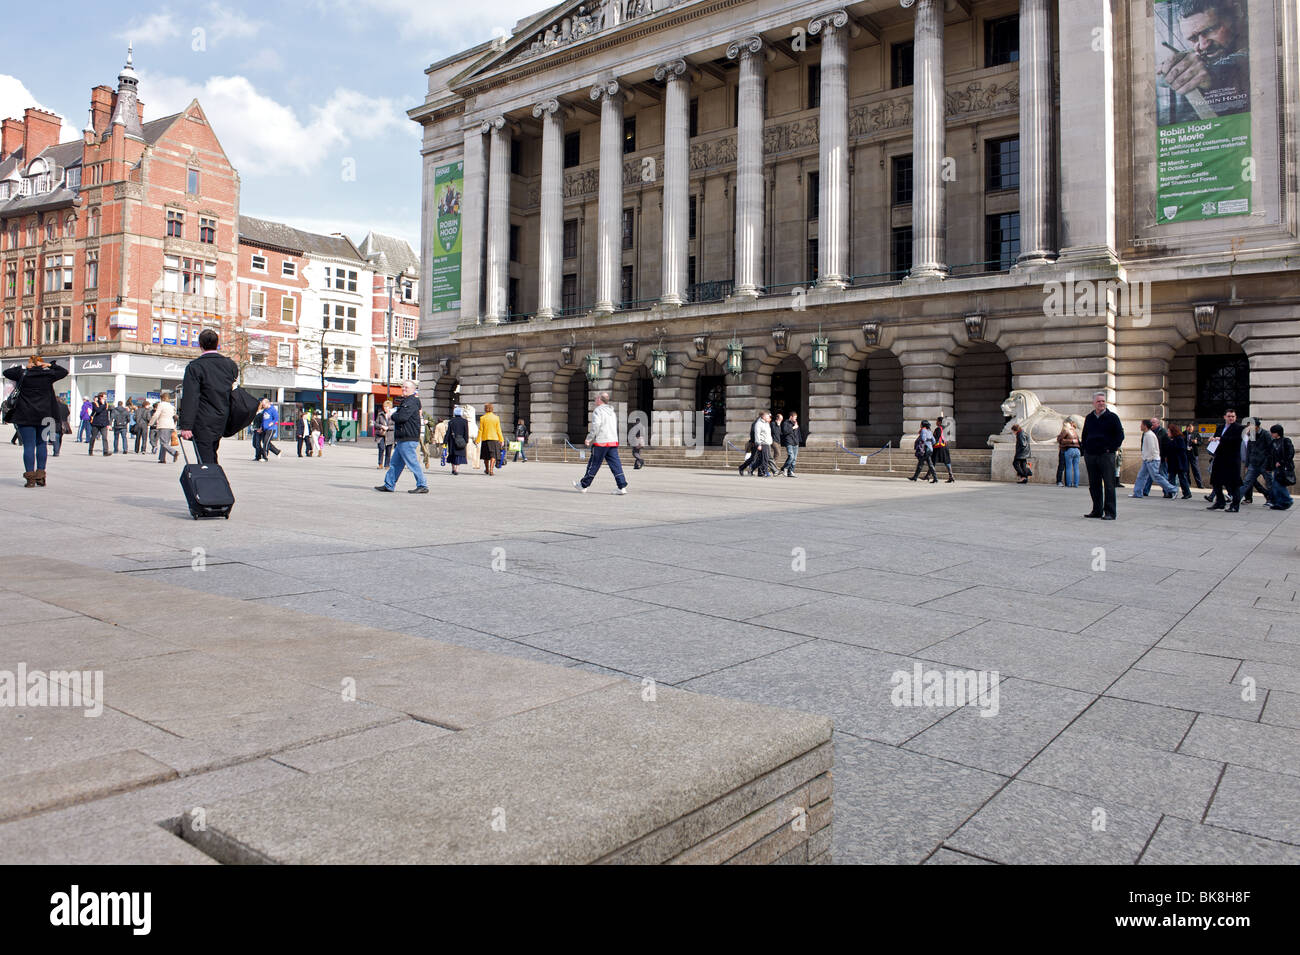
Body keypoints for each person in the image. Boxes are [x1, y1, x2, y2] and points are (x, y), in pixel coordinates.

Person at [177, 328, 239, 465]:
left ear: (200, 344)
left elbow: (190, 397)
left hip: (203, 420)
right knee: (211, 453)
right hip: (222, 418)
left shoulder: (195, 367)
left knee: (205, 459)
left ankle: (213, 484)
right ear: (217, 344)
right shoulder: (230, 365)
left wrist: (186, 426)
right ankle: (214, 481)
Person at [4, 355, 67, 487]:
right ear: (42, 364)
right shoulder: (48, 375)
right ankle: (40, 475)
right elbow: (64, 371)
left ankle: (30, 478)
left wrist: (23, 367)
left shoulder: (23, 374)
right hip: (46, 417)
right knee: (42, 444)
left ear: (29, 364)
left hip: (25, 416)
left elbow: (6, 372)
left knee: (28, 446)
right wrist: (50, 365)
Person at [374, 380, 428, 494]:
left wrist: (392, 415)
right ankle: (389, 484)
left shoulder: (411, 401)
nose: (403, 389)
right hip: (403, 438)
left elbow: (402, 417)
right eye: (403, 387)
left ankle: (422, 485)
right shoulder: (407, 401)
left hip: (408, 437)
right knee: (395, 463)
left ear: (413, 390)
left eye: (406, 388)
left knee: (412, 463)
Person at [574, 391, 628, 494]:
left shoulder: (598, 411)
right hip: (612, 441)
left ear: (599, 400)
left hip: (601, 442)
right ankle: (622, 487)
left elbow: (596, 426)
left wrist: (589, 438)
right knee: (616, 465)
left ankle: (583, 485)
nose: (595, 400)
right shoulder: (612, 411)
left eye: (596, 399)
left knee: (593, 464)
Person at [1081, 392, 1124, 520]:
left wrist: (1110, 448)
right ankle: (1097, 510)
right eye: (1099, 401)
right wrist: (1085, 450)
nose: (1101, 403)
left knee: (1109, 484)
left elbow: (1120, 436)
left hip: (1106, 455)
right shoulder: (1089, 418)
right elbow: (1085, 435)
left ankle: (1110, 512)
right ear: (1094, 403)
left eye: (1103, 401)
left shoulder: (1112, 417)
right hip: (1091, 455)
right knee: (1094, 484)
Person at [1131, 420, 1180, 499]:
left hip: (1151, 460)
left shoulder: (1149, 435)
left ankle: (1173, 489)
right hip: (1148, 459)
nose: (1140, 426)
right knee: (1141, 476)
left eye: (1141, 425)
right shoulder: (1147, 434)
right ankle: (1137, 493)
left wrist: (1149, 459)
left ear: (1145, 426)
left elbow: (1153, 449)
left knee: (1156, 477)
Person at [1207, 408, 1243, 511]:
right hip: (1219, 458)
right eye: (1229, 416)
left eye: (1233, 416)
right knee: (1215, 481)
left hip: (1232, 459)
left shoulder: (1239, 428)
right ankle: (1220, 502)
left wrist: (1221, 439)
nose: (1231, 418)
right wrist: (1213, 439)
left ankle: (1235, 506)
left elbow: (1236, 441)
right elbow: (1216, 438)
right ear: (1225, 417)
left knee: (1233, 483)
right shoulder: (1220, 427)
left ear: (1235, 417)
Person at [1238, 418, 1273, 507]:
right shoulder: (1251, 436)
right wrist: (1247, 464)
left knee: (1269, 482)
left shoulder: (1266, 434)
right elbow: (1249, 450)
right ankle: (1236, 498)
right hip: (1253, 464)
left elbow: (1271, 450)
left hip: (1264, 463)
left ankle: (1271, 500)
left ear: (1256, 426)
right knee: (1246, 482)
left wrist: (1269, 464)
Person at [1266, 424, 1294, 511]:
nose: (1271, 434)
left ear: (1278, 433)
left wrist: (1281, 462)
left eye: (1273, 432)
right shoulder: (1273, 442)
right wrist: (1269, 466)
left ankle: (1287, 500)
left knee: (1278, 485)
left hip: (1284, 468)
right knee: (1275, 485)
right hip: (1277, 468)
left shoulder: (1286, 441)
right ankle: (1279, 503)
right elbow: (1271, 456)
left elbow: (1290, 453)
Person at [149, 391, 180, 464]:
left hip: (163, 425)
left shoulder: (161, 404)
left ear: (162, 398)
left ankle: (174, 452)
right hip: (170, 426)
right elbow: (175, 416)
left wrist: (151, 423)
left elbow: (156, 414)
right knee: (165, 443)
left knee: (163, 443)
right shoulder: (171, 406)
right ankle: (162, 459)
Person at [1166, 424, 1193, 499]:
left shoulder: (1179, 438)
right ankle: (1171, 492)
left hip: (1179, 462)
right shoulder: (1172, 439)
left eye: (1169, 431)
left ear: (1173, 432)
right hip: (1173, 462)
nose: (1167, 433)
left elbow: (1180, 449)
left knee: (1182, 478)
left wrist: (1171, 443)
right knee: (1171, 478)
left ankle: (1187, 493)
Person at [478, 402, 505, 476]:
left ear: (485, 409)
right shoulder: (496, 418)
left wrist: (477, 440)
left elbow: (480, 430)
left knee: (486, 456)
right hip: (494, 439)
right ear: (492, 409)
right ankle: (491, 470)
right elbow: (498, 430)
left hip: (485, 439)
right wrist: (501, 440)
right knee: (493, 455)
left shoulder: (482, 418)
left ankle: (486, 469)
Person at [1057, 420, 1081, 488]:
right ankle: (1076, 484)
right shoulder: (1076, 433)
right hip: (1077, 450)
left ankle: (1068, 483)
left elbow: (1059, 440)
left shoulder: (1066, 431)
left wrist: (1070, 441)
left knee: (1068, 468)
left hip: (1069, 450)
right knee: (1076, 468)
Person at [446, 406, 469, 475]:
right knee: (459, 455)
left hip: (452, 440)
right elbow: (466, 432)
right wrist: (466, 440)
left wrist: (445, 441)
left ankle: (453, 468)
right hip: (461, 440)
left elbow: (448, 432)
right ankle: (457, 469)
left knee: (452, 455)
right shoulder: (465, 421)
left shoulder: (451, 421)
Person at [930, 416, 953, 483]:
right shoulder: (946, 429)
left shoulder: (938, 429)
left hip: (938, 447)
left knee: (932, 461)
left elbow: (936, 438)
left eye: (937, 421)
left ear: (940, 422)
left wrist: (932, 444)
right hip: (945, 446)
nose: (936, 422)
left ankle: (932, 477)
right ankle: (951, 476)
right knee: (947, 461)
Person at [374, 402, 393, 469]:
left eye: (387, 407)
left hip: (390, 435)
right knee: (381, 449)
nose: (385, 408)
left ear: (390, 407)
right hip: (381, 435)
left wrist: (388, 428)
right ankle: (380, 464)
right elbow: (376, 424)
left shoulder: (393, 416)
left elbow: (395, 426)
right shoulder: (380, 414)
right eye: (384, 407)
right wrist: (381, 426)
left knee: (388, 451)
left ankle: (387, 465)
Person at [782, 412, 801, 477]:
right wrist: (793, 428)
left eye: (796, 417)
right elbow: (785, 431)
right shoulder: (786, 423)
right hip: (789, 442)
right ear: (791, 417)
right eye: (795, 417)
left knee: (794, 459)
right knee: (791, 456)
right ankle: (784, 468)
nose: (796, 419)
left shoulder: (795, 423)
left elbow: (797, 433)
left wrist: (799, 441)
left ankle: (791, 472)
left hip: (795, 442)